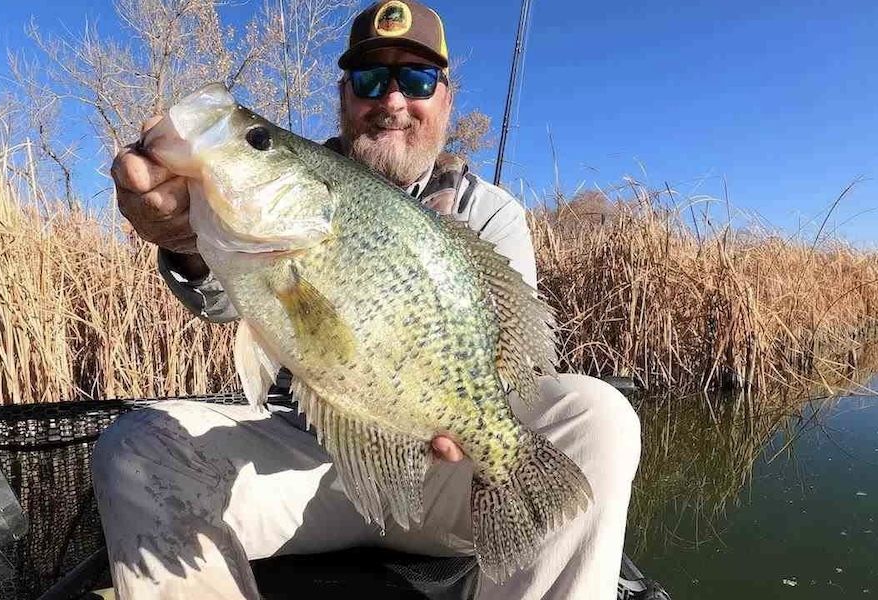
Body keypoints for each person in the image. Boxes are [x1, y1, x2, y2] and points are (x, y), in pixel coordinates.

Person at [95, 1, 641, 598]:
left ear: (446, 100)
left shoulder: (491, 214)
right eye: (370, 79)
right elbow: (227, 300)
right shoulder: (278, 198)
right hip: (299, 465)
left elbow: (514, 369)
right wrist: (189, 241)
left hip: (442, 479)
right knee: (136, 450)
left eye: (418, 80)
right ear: (345, 95)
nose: (392, 101)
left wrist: (459, 425)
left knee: (599, 416)